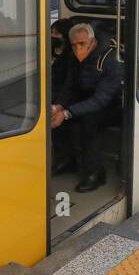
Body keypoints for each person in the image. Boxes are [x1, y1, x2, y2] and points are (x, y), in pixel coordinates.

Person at [51, 21, 121, 192]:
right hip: (86, 97)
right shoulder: (73, 57)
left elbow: (101, 100)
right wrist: (58, 106)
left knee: (89, 122)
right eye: (74, 45)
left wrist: (67, 113)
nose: (77, 49)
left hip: (113, 104)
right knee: (53, 115)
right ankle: (68, 160)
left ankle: (96, 173)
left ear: (92, 41)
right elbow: (70, 86)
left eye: (82, 44)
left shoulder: (110, 59)